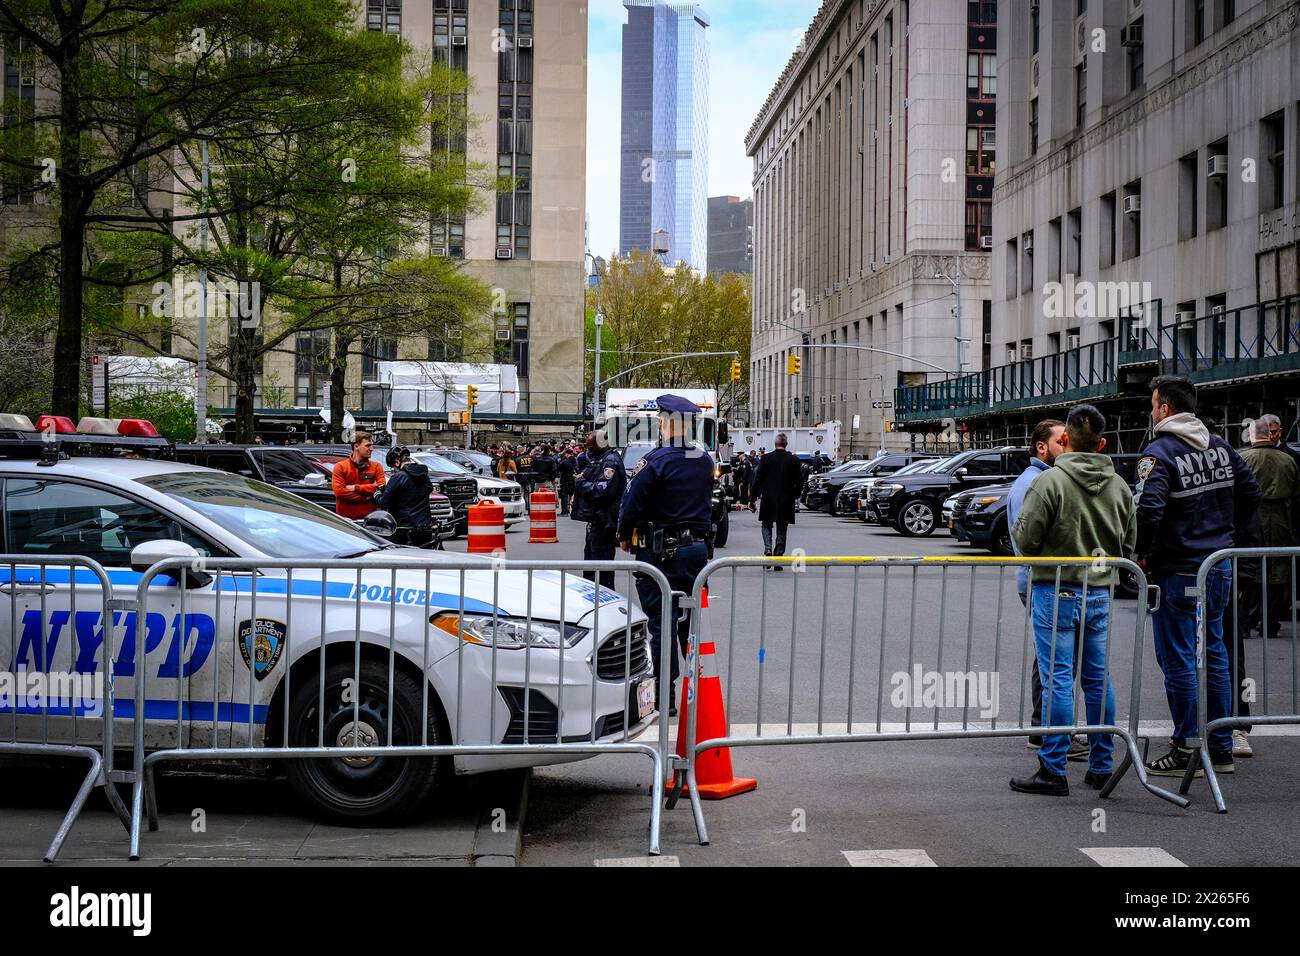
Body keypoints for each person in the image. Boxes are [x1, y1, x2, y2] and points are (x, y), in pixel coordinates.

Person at [1135, 376, 1262, 778]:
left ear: (1166, 409)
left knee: (1179, 659)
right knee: (1216, 653)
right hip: (1219, 564)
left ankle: (1187, 745)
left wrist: (1143, 557)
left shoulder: (1160, 453)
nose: (1152, 411)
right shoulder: (1221, 447)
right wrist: (1227, 534)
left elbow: (1149, 511)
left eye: (1154, 405)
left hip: (1179, 569)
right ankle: (1221, 748)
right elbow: (1252, 492)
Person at [1010, 405, 1134, 796]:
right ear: (1103, 442)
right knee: (1098, 680)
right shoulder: (1120, 486)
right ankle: (1101, 765)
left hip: (1056, 589)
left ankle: (1054, 767)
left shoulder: (1050, 484)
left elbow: (1026, 540)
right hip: (1099, 591)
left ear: (1064, 440)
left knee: (1057, 681)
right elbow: (1128, 544)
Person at [618, 395, 715, 709]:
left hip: (661, 552)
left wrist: (623, 534)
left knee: (663, 622)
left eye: (660, 418)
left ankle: (666, 694)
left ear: (668, 423)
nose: (659, 423)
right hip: (696, 551)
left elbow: (632, 503)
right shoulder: (704, 459)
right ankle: (698, 687)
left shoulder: (656, 460)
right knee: (692, 622)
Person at [1006, 418, 1088, 761]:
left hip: (1044, 580)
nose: (1068, 447)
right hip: (1045, 580)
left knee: (1051, 657)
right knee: (1057, 659)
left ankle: (1045, 728)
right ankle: (1049, 732)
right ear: (1042, 447)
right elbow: (1029, 541)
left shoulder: (1040, 479)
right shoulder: (1038, 482)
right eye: (1061, 442)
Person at [573, 431, 626, 589]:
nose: (588, 451)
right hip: (596, 521)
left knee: (601, 570)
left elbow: (601, 491)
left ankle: (604, 603)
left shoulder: (610, 462)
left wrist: (581, 482)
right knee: (591, 567)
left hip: (603, 523)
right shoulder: (601, 460)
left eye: (591, 447)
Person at [748, 433, 803, 568]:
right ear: (786, 444)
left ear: (775, 444)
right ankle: (779, 549)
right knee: (782, 525)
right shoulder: (793, 460)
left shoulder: (766, 458)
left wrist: (753, 498)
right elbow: (800, 481)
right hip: (786, 498)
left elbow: (758, 479)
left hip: (768, 498)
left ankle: (768, 549)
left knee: (766, 524)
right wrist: (795, 494)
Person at [376, 446, 435, 547]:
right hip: (425, 529)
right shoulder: (424, 475)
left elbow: (383, 503)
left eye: (393, 467)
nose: (393, 470)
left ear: (397, 462)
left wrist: (377, 494)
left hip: (404, 531)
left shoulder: (398, 477)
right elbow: (421, 490)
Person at [332, 431, 387, 519]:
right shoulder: (341, 467)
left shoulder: (376, 466)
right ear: (356, 446)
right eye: (368, 445)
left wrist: (355, 488)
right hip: (346, 520)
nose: (371, 448)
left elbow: (381, 488)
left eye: (372, 445)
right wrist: (368, 497)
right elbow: (340, 492)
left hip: (370, 520)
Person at [555, 445, 578, 516]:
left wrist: (563, 459)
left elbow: (558, 468)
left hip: (565, 480)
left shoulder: (565, 461)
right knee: (572, 496)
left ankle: (565, 511)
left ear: (567, 454)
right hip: (573, 479)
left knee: (564, 495)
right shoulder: (575, 460)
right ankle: (572, 511)